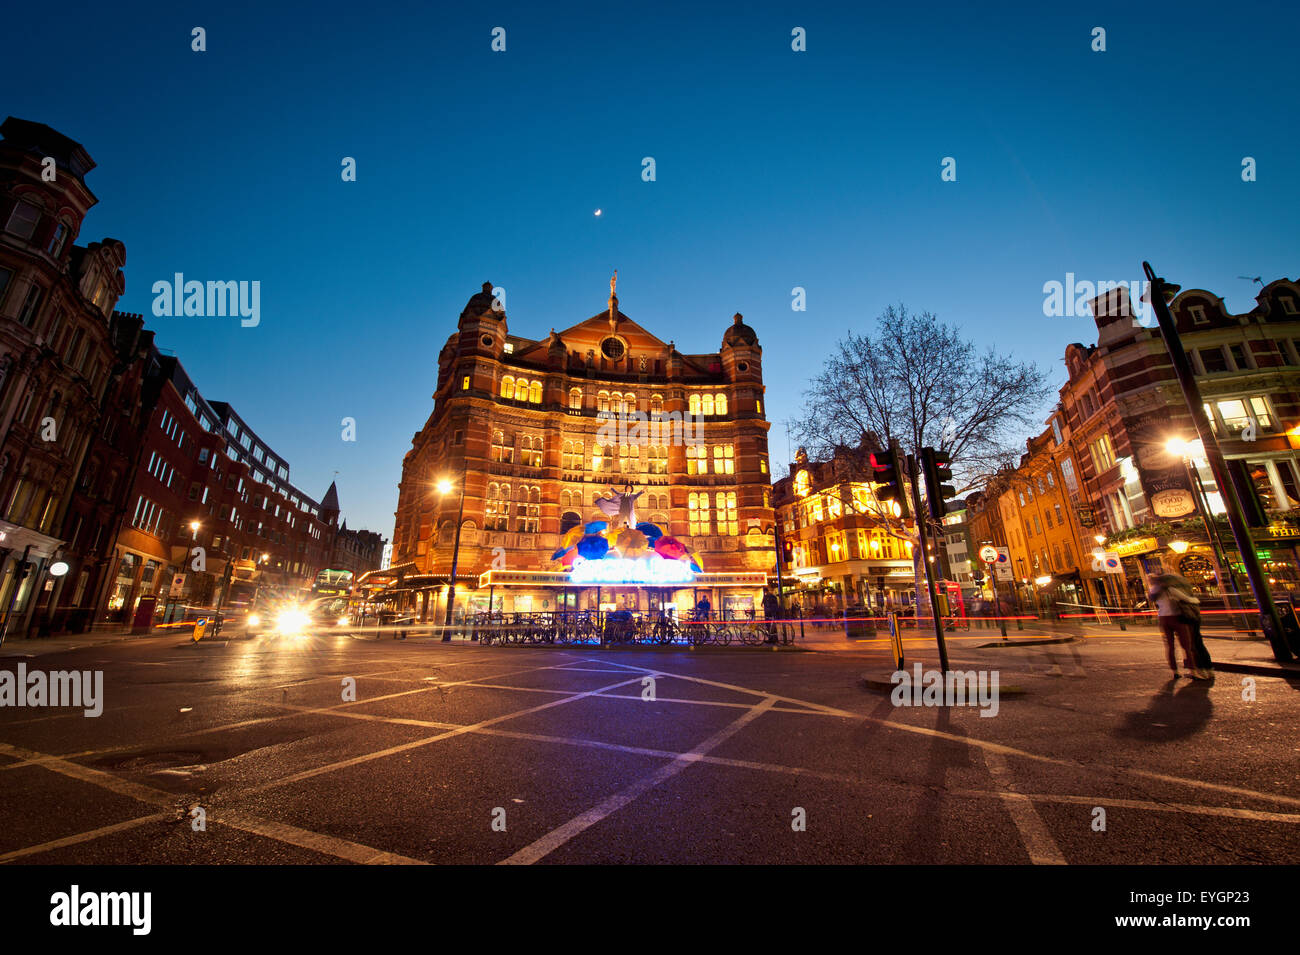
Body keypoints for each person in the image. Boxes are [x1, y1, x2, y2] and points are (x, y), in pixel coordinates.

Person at [1148, 572, 1210, 680]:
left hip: (1163, 618)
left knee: (1170, 647)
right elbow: (1187, 599)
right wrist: (1196, 600)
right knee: (1187, 646)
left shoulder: (1153, 590)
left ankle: (1175, 671)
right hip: (1176, 618)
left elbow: (1153, 599)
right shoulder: (1169, 589)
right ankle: (1193, 671)